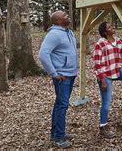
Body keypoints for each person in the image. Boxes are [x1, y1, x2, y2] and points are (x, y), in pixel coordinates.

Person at [38, 11, 78, 148]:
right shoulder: (53, 34)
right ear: (58, 21)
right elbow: (43, 55)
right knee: (62, 106)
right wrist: (54, 73)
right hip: (62, 76)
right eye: (65, 15)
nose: (68, 16)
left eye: (68, 14)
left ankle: (56, 133)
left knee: (60, 104)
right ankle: (59, 137)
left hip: (71, 74)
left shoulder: (68, 32)